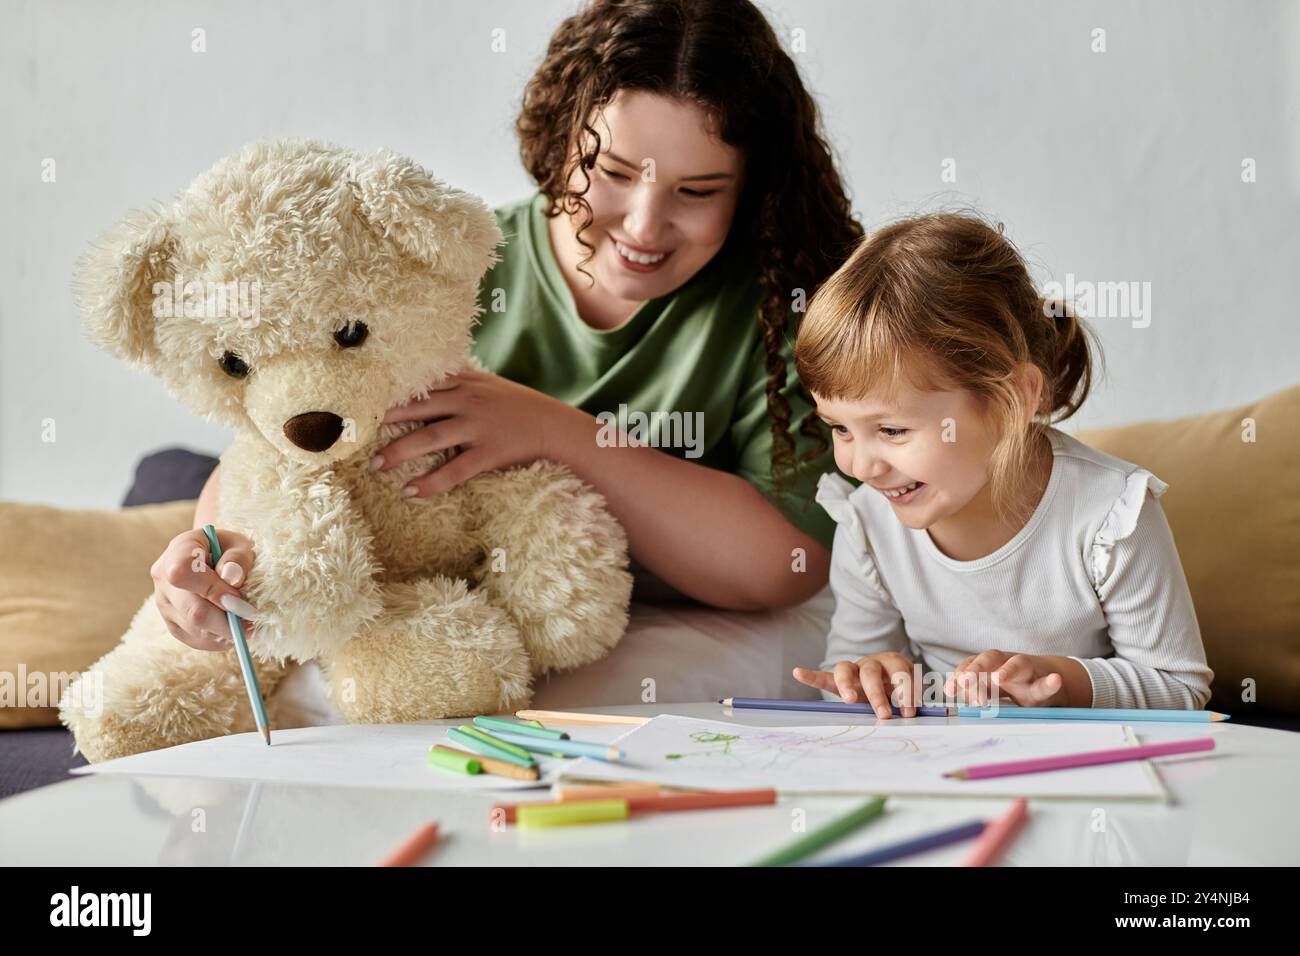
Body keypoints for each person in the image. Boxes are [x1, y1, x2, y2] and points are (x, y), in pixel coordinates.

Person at [153, 0, 863, 650]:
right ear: (559, 143)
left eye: (698, 191)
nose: (644, 227)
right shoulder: (442, 270)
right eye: (610, 172)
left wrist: (555, 433)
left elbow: (785, 564)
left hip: (662, 643)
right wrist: (209, 561)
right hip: (434, 626)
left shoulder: (784, 305)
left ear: (753, 187)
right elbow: (283, 439)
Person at [791, 212, 1213, 715]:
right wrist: (867, 677)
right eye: (840, 428)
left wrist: (1060, 682)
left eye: (892, 430)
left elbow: (1181, 689)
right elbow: (845, 676)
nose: (859, 465)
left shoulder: (1110, 515)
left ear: (1011, 398)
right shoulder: (868, 521)